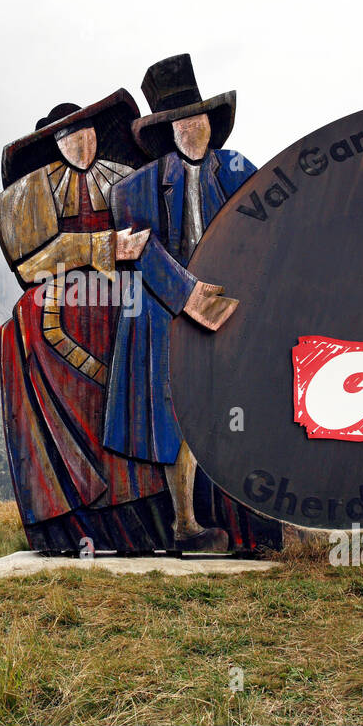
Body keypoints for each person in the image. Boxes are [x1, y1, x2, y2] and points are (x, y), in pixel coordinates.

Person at [0, 90, 172, 553]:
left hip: (119, 298)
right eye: (72, 135)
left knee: (137, 357)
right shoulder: (33, 191)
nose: (83, 142)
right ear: (57, 143)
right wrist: (98, 249)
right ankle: (66, 506)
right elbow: (29, 261)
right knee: (29, 319)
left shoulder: (124, 178)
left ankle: (140, 512)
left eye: (89, 131)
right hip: (61, 301)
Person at [104, 55, 255, 551]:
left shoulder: (239, 174)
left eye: (201, 119)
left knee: (243, 402)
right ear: (169, 132)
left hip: (228, 308)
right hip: (165, 311)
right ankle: (184, 523)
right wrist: (187, 297)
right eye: (183, 122)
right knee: (177, 410)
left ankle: (256, 514)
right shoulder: (133, 190)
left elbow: (265, 231)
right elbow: (140, 249)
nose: (194, 129)